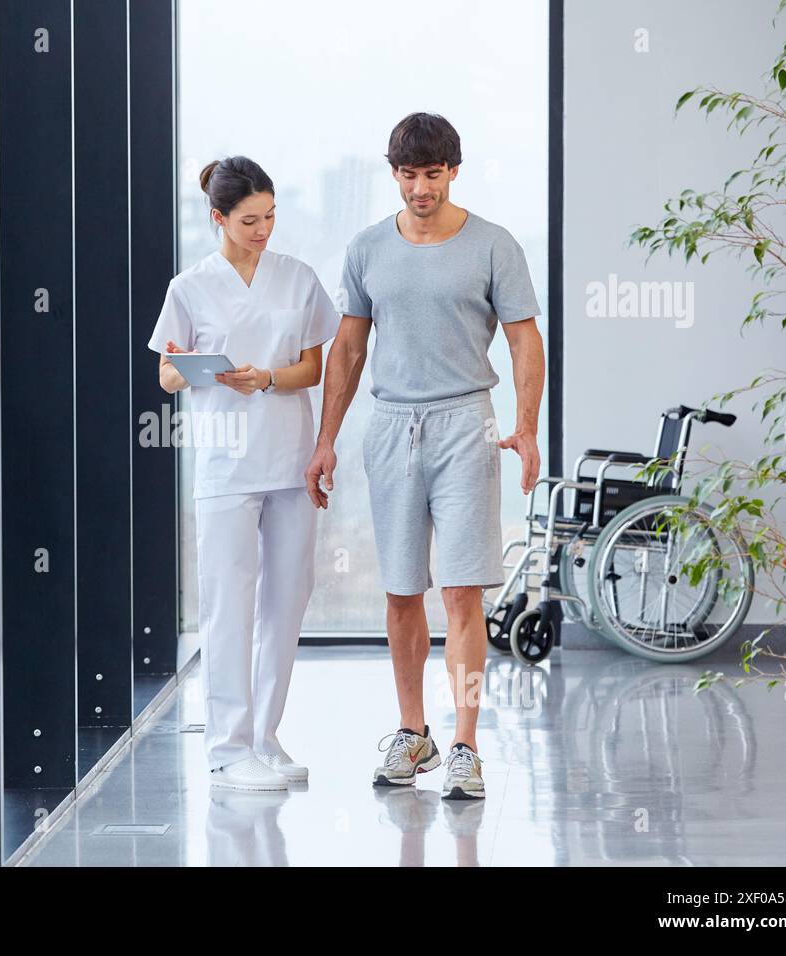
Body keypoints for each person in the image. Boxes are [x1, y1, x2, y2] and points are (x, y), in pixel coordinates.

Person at [305, 113, 545, 800]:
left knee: (463, 590)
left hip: (466, 422)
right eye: (408, 175)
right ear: (394, 174)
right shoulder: (367, 247)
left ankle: (466, 742)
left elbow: (526, 342)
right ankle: (415, 734)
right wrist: (326, 441)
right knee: (402, 591)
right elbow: (349, 350)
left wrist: (526, 428)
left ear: (453, 171)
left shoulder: (493, 246)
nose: (420, 189)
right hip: (391, 424)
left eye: (432, 175)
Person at [147, 156, 340, 792]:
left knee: (286, 601)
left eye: (271, 217)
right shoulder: (190, 287)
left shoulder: (298, 278)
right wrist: (203, 367)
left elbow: (314, 367)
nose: (263, 230)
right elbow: (168, 375)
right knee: (228, 604)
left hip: (289, 457)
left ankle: (265, 737)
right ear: (218, 219)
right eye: (250, 220)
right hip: (226, 463)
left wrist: (265, 378)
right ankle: (228, 749)